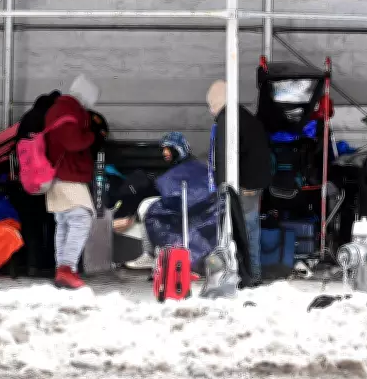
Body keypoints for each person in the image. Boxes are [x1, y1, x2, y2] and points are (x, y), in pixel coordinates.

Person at [206, 80, 272, 286]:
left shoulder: (228, 119)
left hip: (243, 185)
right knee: (251, 229)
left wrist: (221, 187)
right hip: (254, 182)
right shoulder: (244, 116)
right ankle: (252, 273)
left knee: (245, 231)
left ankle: (250, 275)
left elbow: (223, 157)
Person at [44, 74, 104, 290]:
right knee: (81, 218)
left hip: (57, 174)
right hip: (68, 173)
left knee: (64, 222)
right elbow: (72, 142)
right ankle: (67, 269)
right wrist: (92, 136)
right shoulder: (69, 110)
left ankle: (63, 268)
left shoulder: (57, 109)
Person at [5, 89, 62, 278]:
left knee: (31, 224)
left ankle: (32, 264)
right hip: (48, 182)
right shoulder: (51, 121)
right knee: (53, 223)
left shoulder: (27, 119)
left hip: (27, 183)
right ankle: (51, 263)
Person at [122, 131, 195, 270]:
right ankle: (152, 254)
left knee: (147, 207)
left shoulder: (189, 166)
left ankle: (152, 255)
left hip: (189, 209)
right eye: (163, 149)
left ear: (177, 149)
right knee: (146, 205)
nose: (164, 152)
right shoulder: (177, 165)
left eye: (168, 149)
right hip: (179, 205)